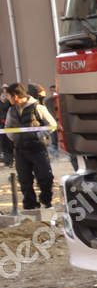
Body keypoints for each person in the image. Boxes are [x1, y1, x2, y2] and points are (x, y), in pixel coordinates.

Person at [4, 81, 57, 211]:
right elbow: (8, 129)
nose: (7, 99)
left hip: (37, 148)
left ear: (15, 96)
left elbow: (52, 124)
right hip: (20, 150)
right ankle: (30, 206)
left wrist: (39, 135)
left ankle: (46, 201)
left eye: (9, 96)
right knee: (24, 181)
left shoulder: (37, 107)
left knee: (45, 177)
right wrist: (15, 139)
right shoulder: (11, 110)